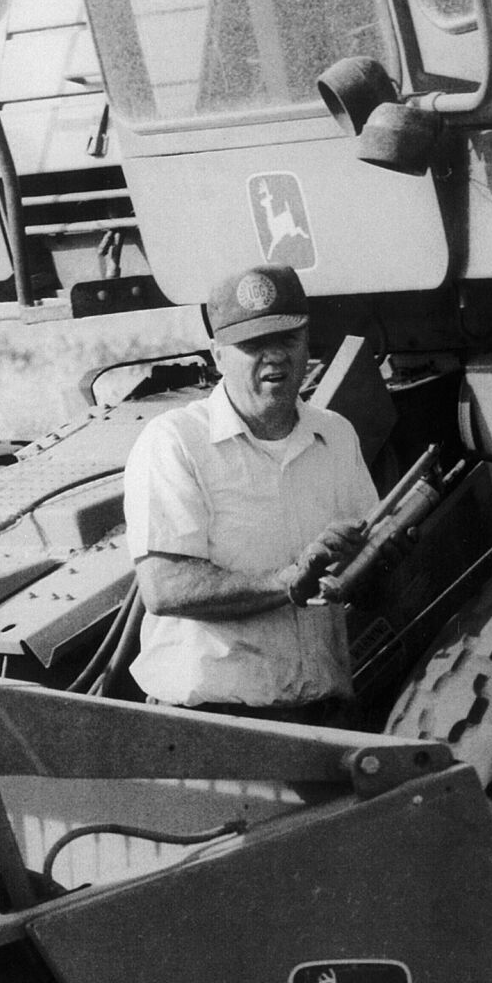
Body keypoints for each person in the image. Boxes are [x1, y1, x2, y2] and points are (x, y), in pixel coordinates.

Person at [123, 264, 378, 722]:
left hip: (324, 717)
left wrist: (378, 555)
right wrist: (287, 581)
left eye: (288, 339)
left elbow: (363, 561)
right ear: (218, 355)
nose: (275, 357)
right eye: (253, 345)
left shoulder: (336, 435)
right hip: (215, 728)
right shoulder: (176, 442)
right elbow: (165, 587)